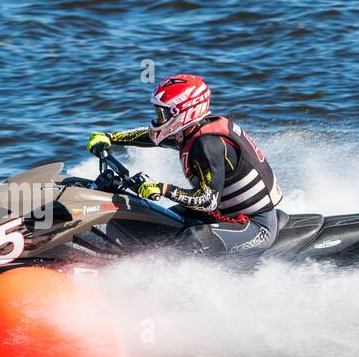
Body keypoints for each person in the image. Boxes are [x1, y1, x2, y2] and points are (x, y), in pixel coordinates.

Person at [87, 74, 283, 255]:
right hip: (222, 214)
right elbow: (152, 138)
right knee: (154, 221)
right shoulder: (191, 131)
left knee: (190, 243)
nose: (158, 119)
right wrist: (110, 138)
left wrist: (162, 189)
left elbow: (208, 201)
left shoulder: (208, 145)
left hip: (256, 227)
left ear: (183, 112)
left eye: (162, 113)